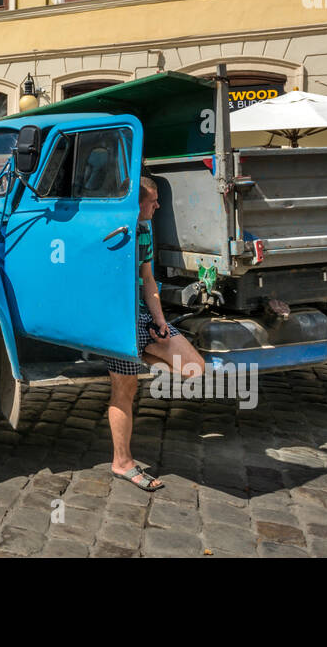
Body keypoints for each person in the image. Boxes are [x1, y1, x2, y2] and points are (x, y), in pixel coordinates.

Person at [103, 176, 207, 492]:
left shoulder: (145, 229)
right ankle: (122, 462)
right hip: (117, 319)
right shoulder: (111, 231)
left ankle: (140, 354)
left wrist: (160, 321)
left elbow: (148, 279)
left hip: (144, 316)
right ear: (136, 202)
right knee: (125, 387)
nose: (159, 206)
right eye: (153, 200)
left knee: (194, 367)